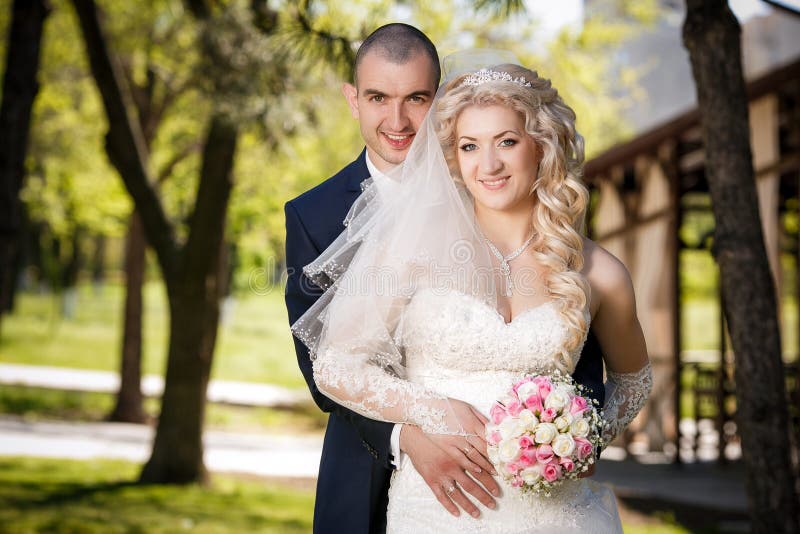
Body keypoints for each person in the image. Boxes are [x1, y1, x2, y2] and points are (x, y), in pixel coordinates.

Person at [291, 60, 652, 533]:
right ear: (453, 158)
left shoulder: (599, 271)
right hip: (437, 512)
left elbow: (634, 381)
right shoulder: (411, 252)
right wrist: (430, 413)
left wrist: (583, 438)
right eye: (469, 146)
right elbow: (335, 368)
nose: (489, 165)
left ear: (542, 145)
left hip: (559, 515)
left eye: (507, 141)